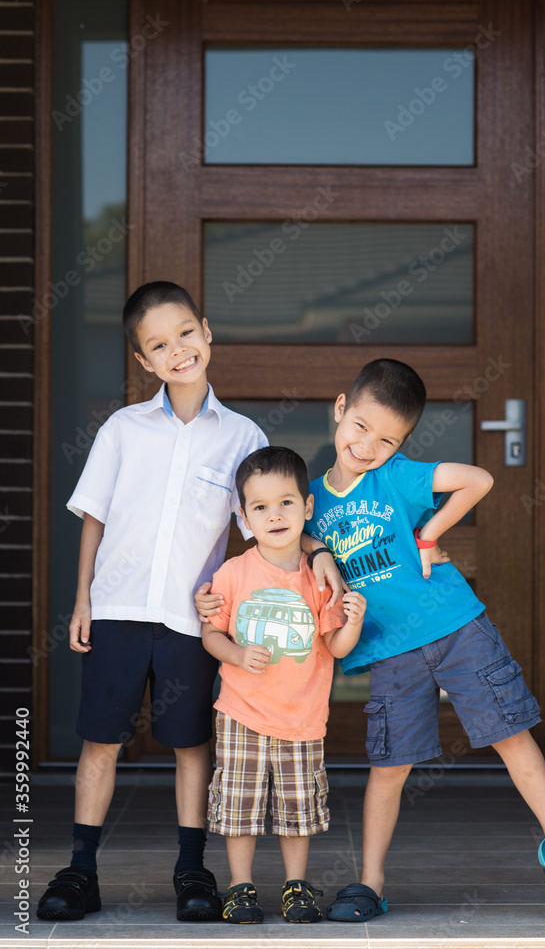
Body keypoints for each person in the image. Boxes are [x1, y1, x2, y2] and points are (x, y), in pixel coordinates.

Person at [198, 358, 545, 926]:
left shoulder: (400, 477)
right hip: (388, 649)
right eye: (360, 427)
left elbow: (478, 481)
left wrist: (430, 532)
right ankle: (371, 882)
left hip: (457, 627)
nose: (367, 446)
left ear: (402, 444)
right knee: (391, 764)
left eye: (387, 439)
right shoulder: (305, 499)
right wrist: (221, 597)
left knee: (510, 734)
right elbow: (283, 541)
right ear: (340, 410)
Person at [36, 281, 340, 924]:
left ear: (206, 332)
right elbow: (93, 517)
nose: (176, 350)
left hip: (189, 620)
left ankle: (192, 868)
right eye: (158, 345)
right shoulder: (123, 429)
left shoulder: (240, 435)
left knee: (191, 743)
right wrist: (83, 599)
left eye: (184, 334)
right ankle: (81, 870)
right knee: (99, 740)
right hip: (118, 609)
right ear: (143, 362)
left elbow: (268, 515)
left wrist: (317, 552)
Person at [201, 446, 366, 925]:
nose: (274, 515)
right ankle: (240, 887)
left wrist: (353, 621)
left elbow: (335, 646)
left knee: (298, 808)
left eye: (286, 503)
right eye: (260, 507)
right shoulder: (233, 573)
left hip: (301, 717)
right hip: (241, 712)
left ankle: (297, 887)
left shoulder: (319, 578)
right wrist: (234, 653)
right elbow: (211, 632)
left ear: (308, 507)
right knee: (238, 805)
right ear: (245, 517)